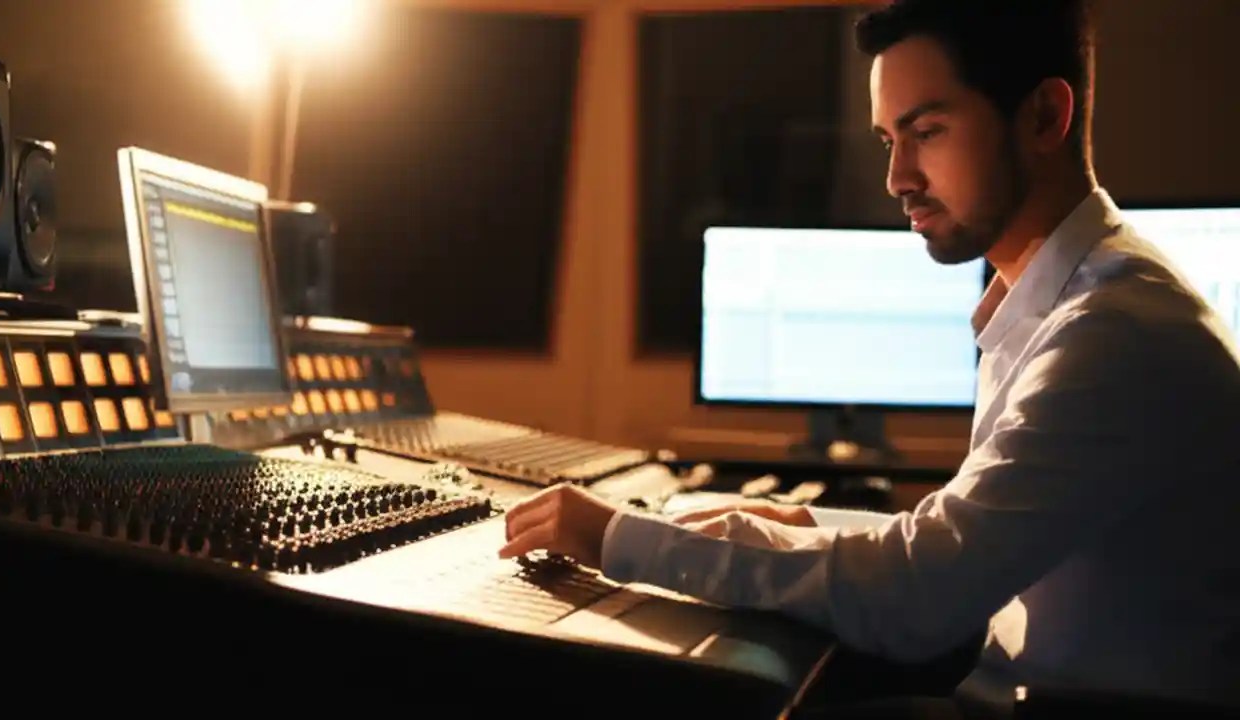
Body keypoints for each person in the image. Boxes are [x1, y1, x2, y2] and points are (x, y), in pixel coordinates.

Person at [500, 0, 1240, 714]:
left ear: (1044, 116)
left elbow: (916, 598)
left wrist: (616, 537)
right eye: (891, 140)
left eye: (929, 131)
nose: (898, 179)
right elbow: (962, 542)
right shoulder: (1068, 306)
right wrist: (799, 524)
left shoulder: (1115, 335)